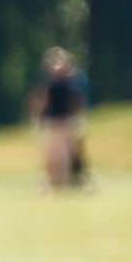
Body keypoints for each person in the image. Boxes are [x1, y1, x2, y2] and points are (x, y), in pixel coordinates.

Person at [27, 47, 90, 193]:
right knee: (51, 157)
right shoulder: (48, 84)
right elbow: (41, 101)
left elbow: (77, 103)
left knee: (65, 157)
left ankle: (64, 185)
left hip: (66, 121)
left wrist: (78, 118)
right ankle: (54, 185)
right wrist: (36, 118)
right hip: (52, 122)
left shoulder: (72, 83)